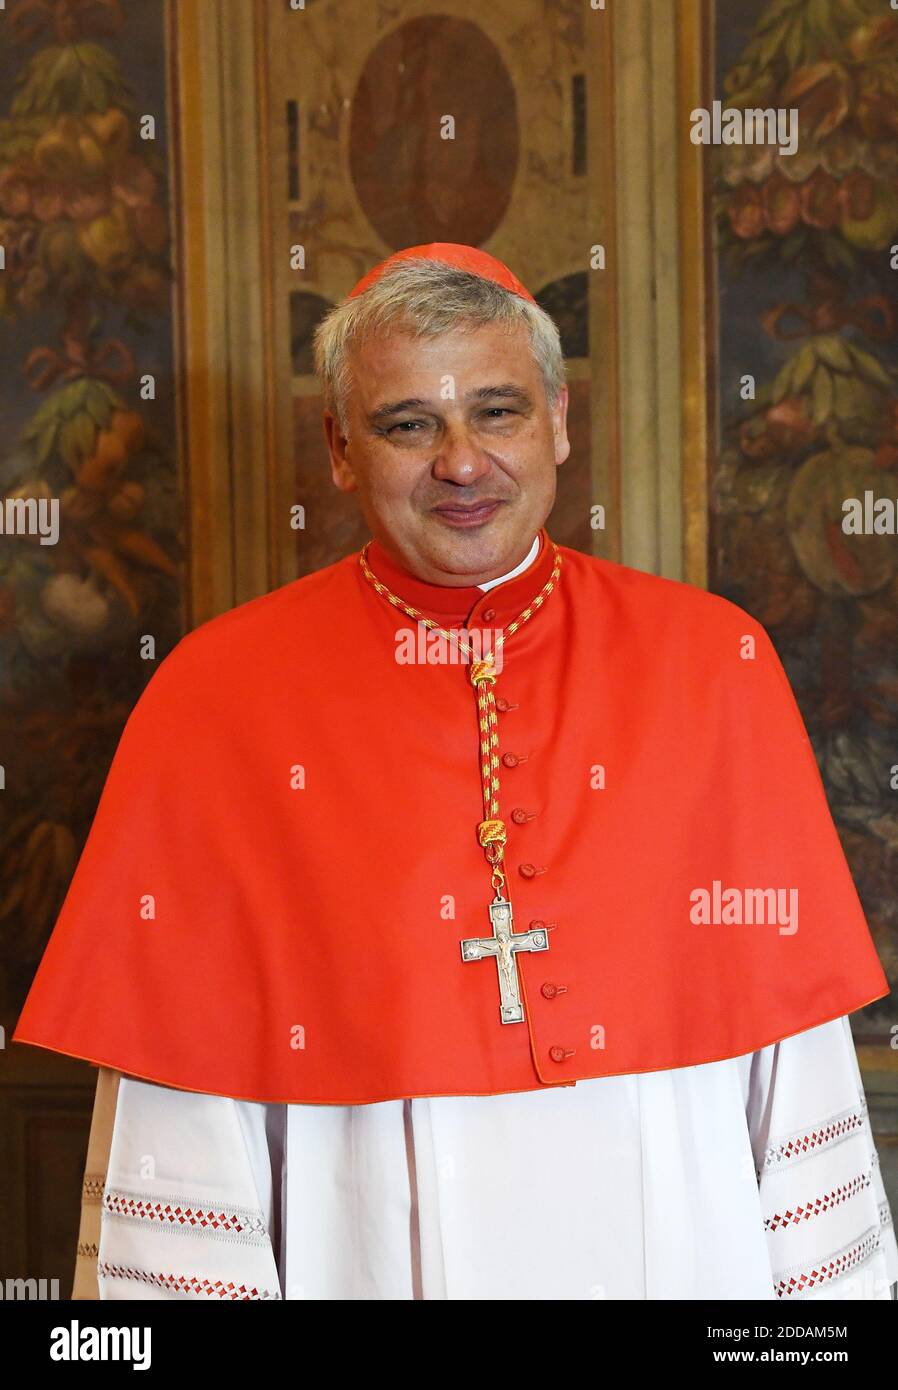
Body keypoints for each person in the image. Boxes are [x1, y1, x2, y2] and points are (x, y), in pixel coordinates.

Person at [14, 243, 897, 1300]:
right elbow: (185, 1130)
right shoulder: (217, 697)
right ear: (340, 448)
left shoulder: (715, 666)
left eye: (498, 411)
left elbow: (793, 1078)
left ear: (560, 422)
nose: (462, 462)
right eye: (406, 424)